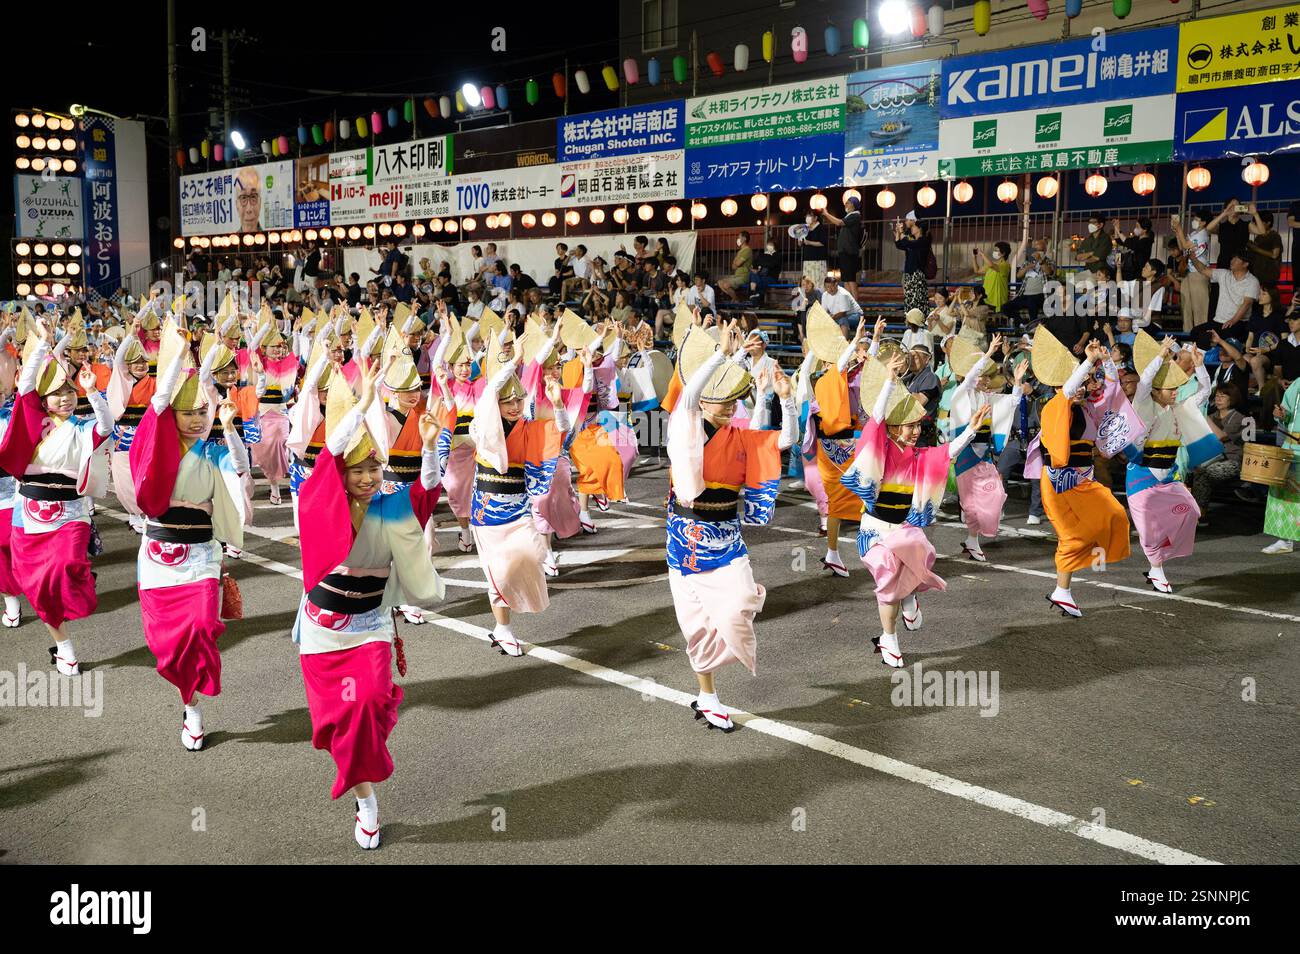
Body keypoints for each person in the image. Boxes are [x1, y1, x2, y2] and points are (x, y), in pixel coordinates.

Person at [295, 354, 444, 850]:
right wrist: (359, 406)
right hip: (322, 632)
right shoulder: (318, 502)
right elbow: (327, 463)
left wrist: (428, 447)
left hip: (371, 626)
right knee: (343, 721)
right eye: (357, 469)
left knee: (371, 702)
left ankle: (365, 785)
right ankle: (365, 801)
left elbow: (425, 495)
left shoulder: (388, 504)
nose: (368, 476)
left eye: (374, 466)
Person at [665, 321, 798, 730]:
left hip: (727, 536)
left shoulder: (739, 436)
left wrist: (787, 402)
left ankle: (710, 689)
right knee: (699, 625)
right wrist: (722, 356)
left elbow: (785, 442)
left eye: (733, 402)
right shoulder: (686, 428)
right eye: (721, 402)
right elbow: (688, 396)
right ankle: (708, 696)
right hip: (686, 537)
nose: (729, 407)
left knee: (742, 602)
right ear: (704, 402)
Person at [128, 323, 250, 751]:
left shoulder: (212, 448)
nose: (198, 418)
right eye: (189, 412)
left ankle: (195, 705)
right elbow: (157, 403)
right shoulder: (154, 446)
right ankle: (190, 704)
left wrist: (230, 430)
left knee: (200, 627)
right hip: (158, 555)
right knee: (166, 646)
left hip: (200, 554)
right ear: (171, 416)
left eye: (203, 411)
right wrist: (176, 353)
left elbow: (240, 470)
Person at [841, 350, 989, 667]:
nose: (916, 431)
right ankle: (889, 638)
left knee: (914, 556)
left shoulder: (916, 456)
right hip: (875, 533)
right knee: (888, 579)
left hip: (904, 530)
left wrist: (971, 431)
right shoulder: (878, 447)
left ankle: (909, 596)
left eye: (918, 425)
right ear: (894, 428)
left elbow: (945, 454)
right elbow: (876, 419)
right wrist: (889, 381)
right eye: (909, 426)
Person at [0, 318, 114, 676]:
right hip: (28, 512)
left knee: (66, 565)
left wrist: (93, 392)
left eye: (69, 392)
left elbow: (107, 427)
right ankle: (64, 647)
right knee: (37, 587)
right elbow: (26, 389)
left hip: (71, 511)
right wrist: (44, 347)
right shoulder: (30, 422)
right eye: (57, 393)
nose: (65, 398)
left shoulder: (81, 427)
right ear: (42, 398)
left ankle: (78, 584)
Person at [469, 330, 570, 657]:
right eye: (508, 400)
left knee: (533, 554)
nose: (514, 405)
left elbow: (560, 431)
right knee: (498, 572)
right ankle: (503, 628)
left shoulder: (527, 427)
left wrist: (556, 404)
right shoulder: (484, 428)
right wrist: (513, 361)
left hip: (517, 508)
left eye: (518, 400)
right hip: (487, 511)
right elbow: (488, 396)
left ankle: (505, 623)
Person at [1025, 326, 1136, 617]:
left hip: (1085, 480)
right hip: (1060, 484)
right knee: (1073, 537)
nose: (1083, 387)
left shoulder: (1088, 409)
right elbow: (1070, 389)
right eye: (1078, 384)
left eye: (1085, 384)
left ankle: (1064, 589)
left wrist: (1104, 360)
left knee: (1114, 515)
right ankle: (1063, 591)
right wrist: (1087, 361)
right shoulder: (1054, 406)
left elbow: (1112, 389)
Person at [1125, 333, 1217, 593]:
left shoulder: (1178, 408)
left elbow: (1205, 390)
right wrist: (1159, 356)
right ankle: (1156, 569)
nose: (1176, 393)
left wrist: (1200, 365)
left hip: (1169, 477)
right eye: (1170, 389)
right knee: (1151, 532)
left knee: (1191, 512)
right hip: (1142, 478)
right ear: (1156, 391)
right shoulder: (1143, 405)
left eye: (1177, 388)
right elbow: (1143, 382)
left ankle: (1157, 559)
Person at [947, 335, 1023, 561]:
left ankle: (972, 539)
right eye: (977, 375)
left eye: (984, 376)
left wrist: (1017, 382)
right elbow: (969, 378)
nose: (981, 379)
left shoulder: (987, 399)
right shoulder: (960, 395)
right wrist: (988, 353)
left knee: (996, 495)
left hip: (984, 455)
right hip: (966, 455)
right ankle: (972, 540)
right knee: (970, 504)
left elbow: (1012, 403)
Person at [1190, 383, 1245, 527]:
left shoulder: (1239, 418)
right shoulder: (1212, 416)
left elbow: (1220, 436)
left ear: (1232, 399)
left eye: (1223, 395)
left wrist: (1202, 416)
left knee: (1206, 471)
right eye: (1217, 395)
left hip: (1232, 461)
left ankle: (1199, 513)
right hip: (1210, 458)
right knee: (1197, 469)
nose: (1219, 398)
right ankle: (1197, 513)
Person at [1261, 377, 1300, 554]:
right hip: (1292, 445)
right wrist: (1282, 416)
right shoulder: (1298, 383)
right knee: (1285, 492)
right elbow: (1287, 414)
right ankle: (1285, 540)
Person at [821, 196, 863, 300]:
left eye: (848, 203)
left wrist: (826, 214)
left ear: (853, 205)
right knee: (846, 279)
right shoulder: (850, 216)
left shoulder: (855, 216)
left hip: (850, 251)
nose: (846, 204)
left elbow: (839, 222)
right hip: (844, 251)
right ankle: (848, 303)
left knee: (851, 279)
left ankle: (855, 305)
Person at [1175, 211, 1212, 332]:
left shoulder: (1202, 234)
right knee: (1187, 307)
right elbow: (1182, 247)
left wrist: (1179, 228)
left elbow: (1186, 246)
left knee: (1199, 308)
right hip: (1189, 273)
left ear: (1204, 222)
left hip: (1199, 273)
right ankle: (1188, 335)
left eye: (1197, 219)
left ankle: (1200, 337)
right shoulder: (1195, 233)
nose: (1194, 221)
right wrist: (1177, 232)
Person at [894, 217, 932, 315]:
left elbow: (907, 242)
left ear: (919, 229)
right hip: (909, 274)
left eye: (914, 227)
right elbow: (899, 244)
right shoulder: (913, 241)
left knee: (918, 301)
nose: (912, 229)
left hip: (917, 275)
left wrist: (902, 233)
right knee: (909, 300)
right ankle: (911, 323)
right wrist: (898, 232)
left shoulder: (923, 240)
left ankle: (920, 323)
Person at [1246, 205, 1283, 286]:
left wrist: (1255, 248)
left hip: (1270, 274)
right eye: (1255, 222)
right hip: (1257, 273)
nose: (1256, 224)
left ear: (1268, 223)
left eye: (1259, 222)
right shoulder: (1259, 237)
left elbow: (1274, 255)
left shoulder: (1274, 236)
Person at [972, 242, 1011, 315]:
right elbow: (977, 271)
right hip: (986, 298)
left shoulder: (1005, 265)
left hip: (997, 301)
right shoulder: (992, 264)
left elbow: (991, 265)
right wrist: (974, 257)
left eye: (997, 250)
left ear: (1003, 253)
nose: (994, 252)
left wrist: (982, 254)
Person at [821, 273, 862, 338]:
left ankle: (844, 343)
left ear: (836, 285)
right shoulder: (824, 295)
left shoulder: (843, 294)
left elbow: (843, 313)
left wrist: (831, 318)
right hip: (838, 315)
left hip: (855, 315)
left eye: (832, 286)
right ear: (825, 287)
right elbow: (824, 311)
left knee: (841, 319)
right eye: (827, 287)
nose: (830, 289)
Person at [718, 231, 754, 302]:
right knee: (720, 282)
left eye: (739, 237)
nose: (738, 239)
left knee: (726, 285)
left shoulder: (747, 250)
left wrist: (736, 263)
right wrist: (736, 263)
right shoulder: (740, 251)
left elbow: (737, 264)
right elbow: (733, 266)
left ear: (744, 239)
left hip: (743, 276)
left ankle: (735, 299)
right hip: (736, 275)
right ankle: (735, 297)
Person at [799, 211, 828, 285]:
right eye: (807, 216)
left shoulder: (820, 228)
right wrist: (799, 238)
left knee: (818, 281)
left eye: (810, 216)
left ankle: (819, 296)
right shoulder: (805, 229)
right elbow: (800, 244)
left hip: (818, 259)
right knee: (808, 282)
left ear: (815, 218)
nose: (807, 217)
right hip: (807, 259)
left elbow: (822, 243)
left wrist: (809, 242)